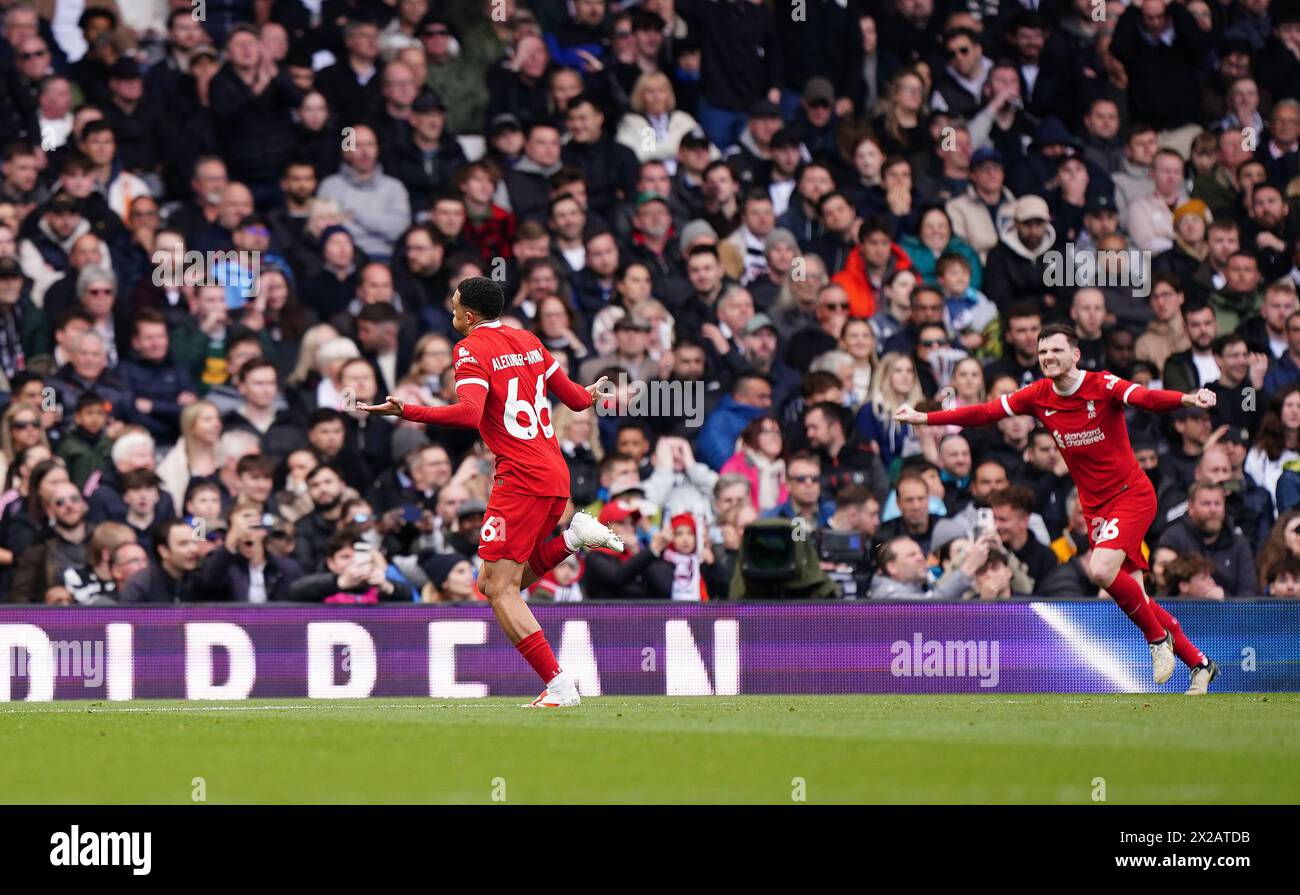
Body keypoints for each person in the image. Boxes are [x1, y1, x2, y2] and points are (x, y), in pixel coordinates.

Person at [896, 323, 1222, 694]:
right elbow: (985, 413)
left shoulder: (1102, 385)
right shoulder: (1038, 395)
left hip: (1132, 494)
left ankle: (1156, 641)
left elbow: (1145, 398)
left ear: (1075, 354)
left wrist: (1186, 399)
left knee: (1100, 569)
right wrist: (926, 418)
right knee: (1137, 596)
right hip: (1095, 506)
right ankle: (1200, 664)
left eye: (1055, 350)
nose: (1048, 358)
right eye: (1042, 353)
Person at [358, 277, 624, 707]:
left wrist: (406, 409)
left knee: (499, 589)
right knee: (493, 583)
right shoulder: (530, 340)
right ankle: (573, 538)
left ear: (470, 315)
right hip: (554, 473)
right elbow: (576, 400)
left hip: (519, 476)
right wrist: (592, 394)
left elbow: (467, 415)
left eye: (456, 303)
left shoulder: (469, 350)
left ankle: (559, 687)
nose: (452, 309)